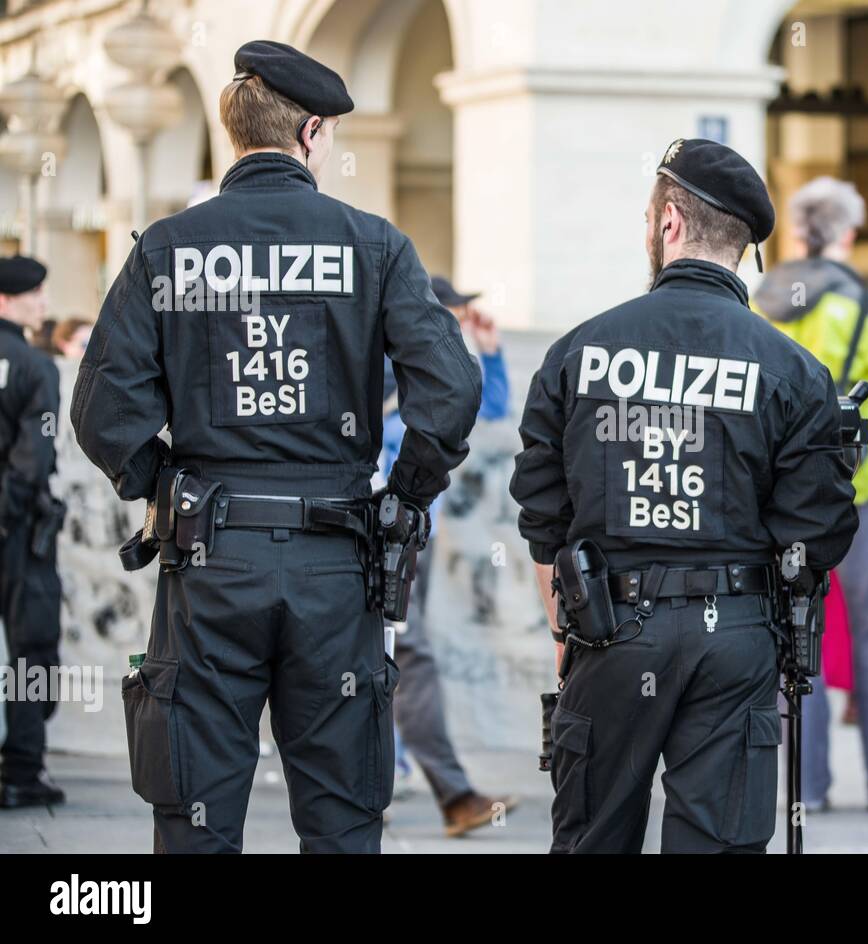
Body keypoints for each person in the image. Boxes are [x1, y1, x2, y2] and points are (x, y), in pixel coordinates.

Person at [71, 40, 481, 853]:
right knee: (340, 817)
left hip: (210, 558)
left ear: (236, 135)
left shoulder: (168, 246)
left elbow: (101, 407)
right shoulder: (372, 245)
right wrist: (403, 496)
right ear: (313, 133)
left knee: (194, 812)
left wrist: (164, 485)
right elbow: (451, 390)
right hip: (335, 560)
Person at [511, 138, 859, 853]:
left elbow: (543, 513)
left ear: (669, 222)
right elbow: (818, 530)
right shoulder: (790, 368)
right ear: (742, 246)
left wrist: (563, 631)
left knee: (592, 838)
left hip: (609, 628)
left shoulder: (580, 352)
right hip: (734, 634)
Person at [753, 176, 868, 812]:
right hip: (860, 499)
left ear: (797, 233)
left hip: (781, 506)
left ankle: (806, 791)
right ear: (847, 234)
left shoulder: (763, 303)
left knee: (796, 640)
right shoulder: (860, 309)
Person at [381, 277, 516, 837]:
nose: (465, 319)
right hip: (390, 525)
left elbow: (493, 413)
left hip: (404, 528)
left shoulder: (410, 358)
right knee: (404, 658)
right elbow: (476, 413)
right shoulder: (406, 366)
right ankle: (426, 788)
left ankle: (407, 785)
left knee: (396, 655)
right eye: (458, 310)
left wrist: (491, 355)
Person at [0, 257, 66, 809]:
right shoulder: (33, 367)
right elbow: (32, 458)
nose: (43, 303)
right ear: (6, 301)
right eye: (33, 295)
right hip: (19, 534)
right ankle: (21, 770)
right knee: (31, 653)